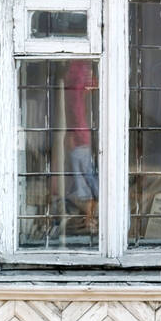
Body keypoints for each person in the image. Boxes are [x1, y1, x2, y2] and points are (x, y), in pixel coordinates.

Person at [64, 59, 99, 235]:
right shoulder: (78, 82)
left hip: (81, 139)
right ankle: (90, 219)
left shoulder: (76, 79)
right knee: (88, 182)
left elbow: (76, 111)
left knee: (87, 181)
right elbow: (77, 111)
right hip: (81, 139)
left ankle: (90, 219)